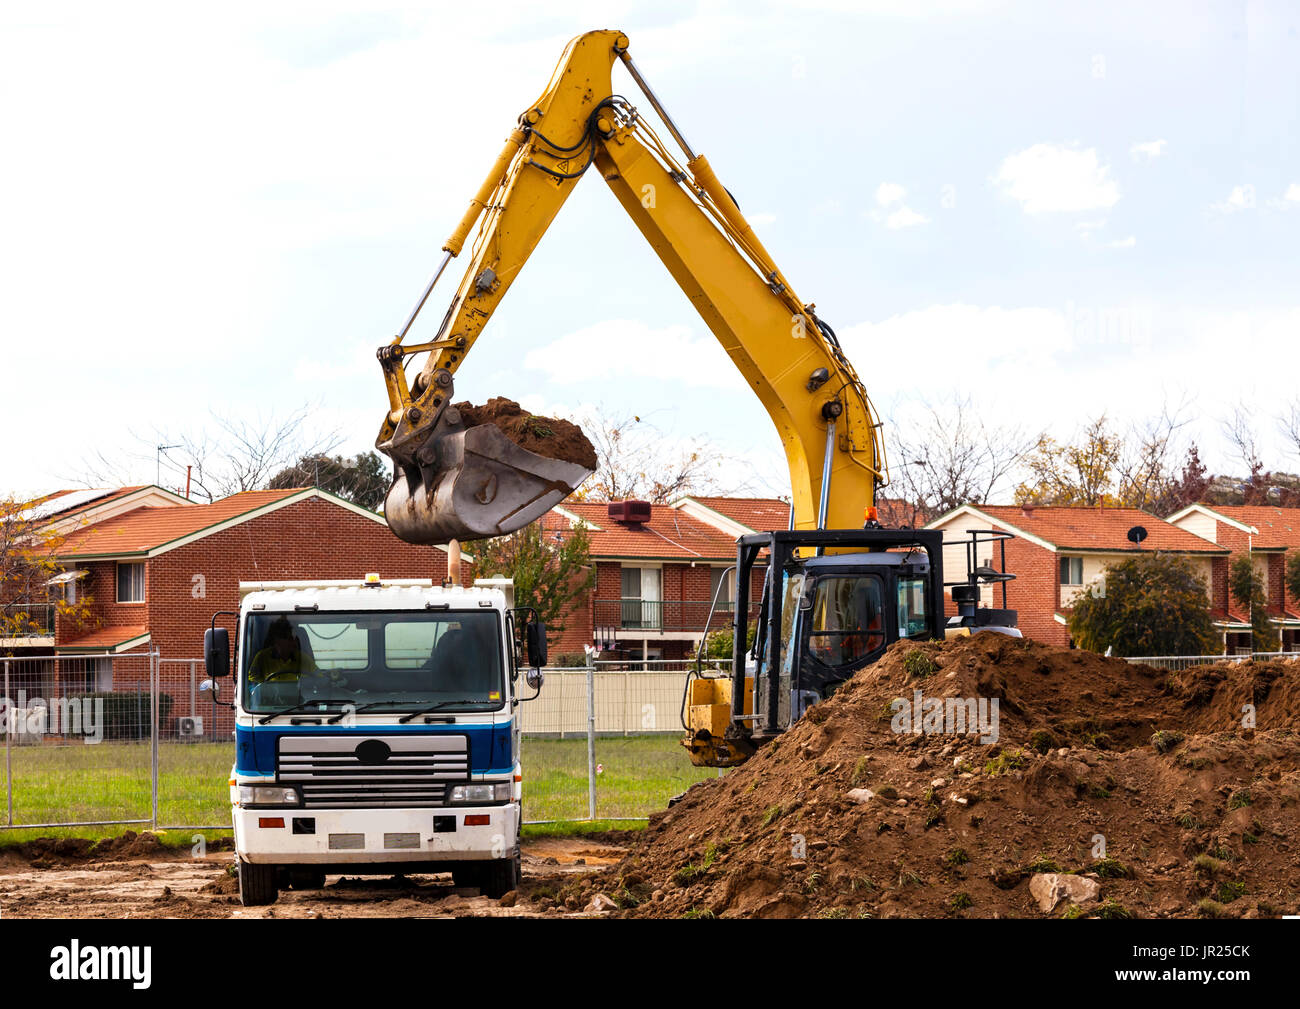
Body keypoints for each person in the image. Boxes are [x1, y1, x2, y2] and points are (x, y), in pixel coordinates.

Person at [248, 617, 317, 684]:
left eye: (295, 639)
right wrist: (265, 690)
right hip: (269, 696)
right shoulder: (261, 658)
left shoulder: (304, 659)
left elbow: (319, 678)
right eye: (290, 639)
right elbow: (253, 684)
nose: (294, 642)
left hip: (300, 695)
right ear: (277, 640)